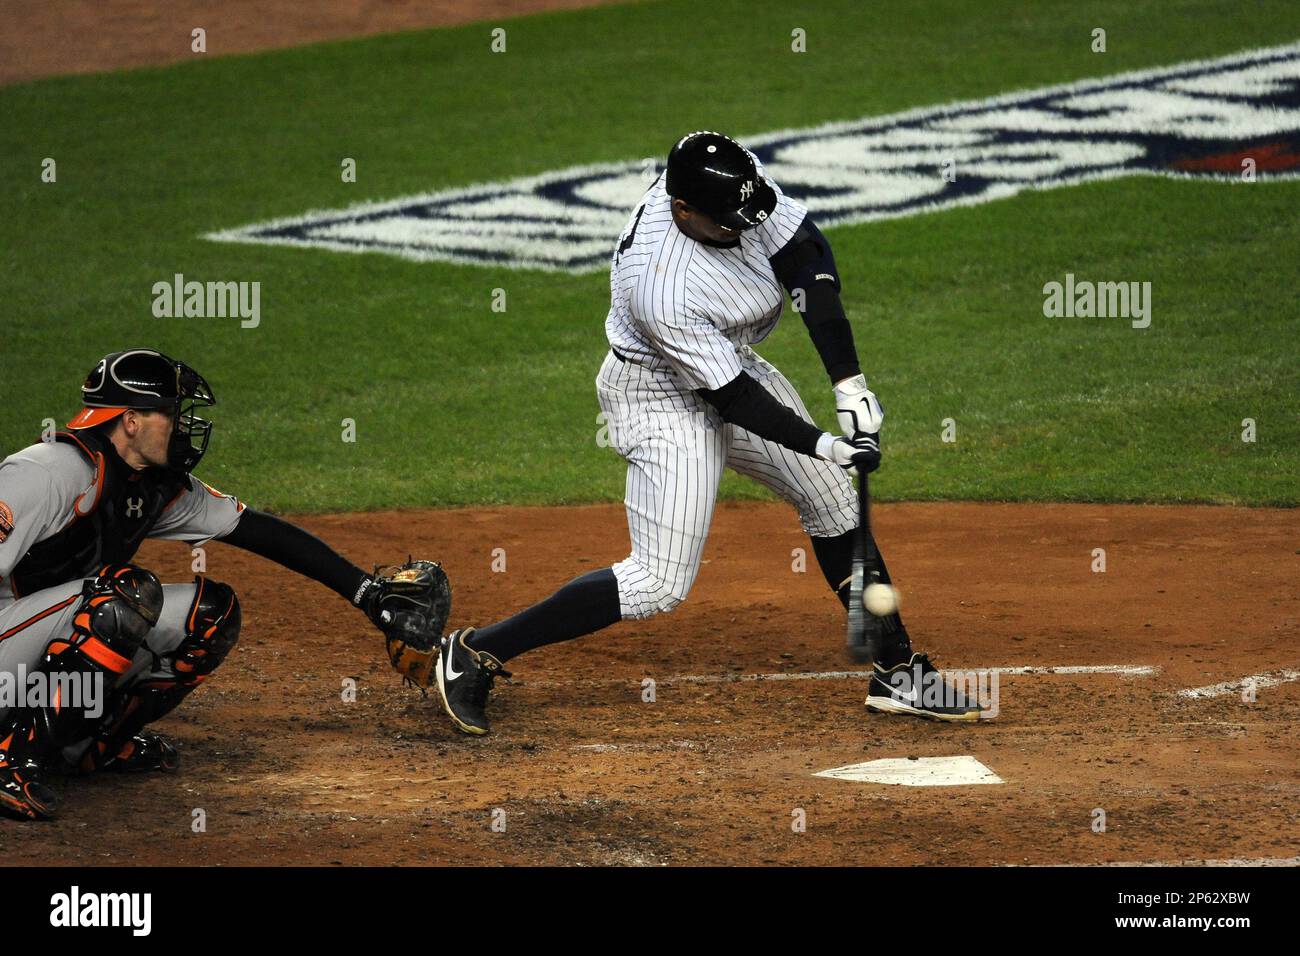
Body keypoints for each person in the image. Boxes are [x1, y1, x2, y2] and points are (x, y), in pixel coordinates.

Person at [433, 131, 986, 736]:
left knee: (831, 496)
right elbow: (734, 400)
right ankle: (475, 651)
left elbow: (804, 253)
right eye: (728, 225)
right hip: (659, 395)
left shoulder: (726, 180)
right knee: (656, 583)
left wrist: (848, 383)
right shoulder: (661, 285)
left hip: (726, 361)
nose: (744, 231)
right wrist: (825, 443)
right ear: (683, 211)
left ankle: (896, 670)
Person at [0, 348, 443, 820]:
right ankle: (10, 759)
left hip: (32, 652)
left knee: (211, 615)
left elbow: (256, 530)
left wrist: (367, 594)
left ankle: (86, 747)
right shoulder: (47, 473)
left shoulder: (151, 484)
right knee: (120, 596)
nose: (182, 426)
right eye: (171, 414)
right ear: (130, 421)